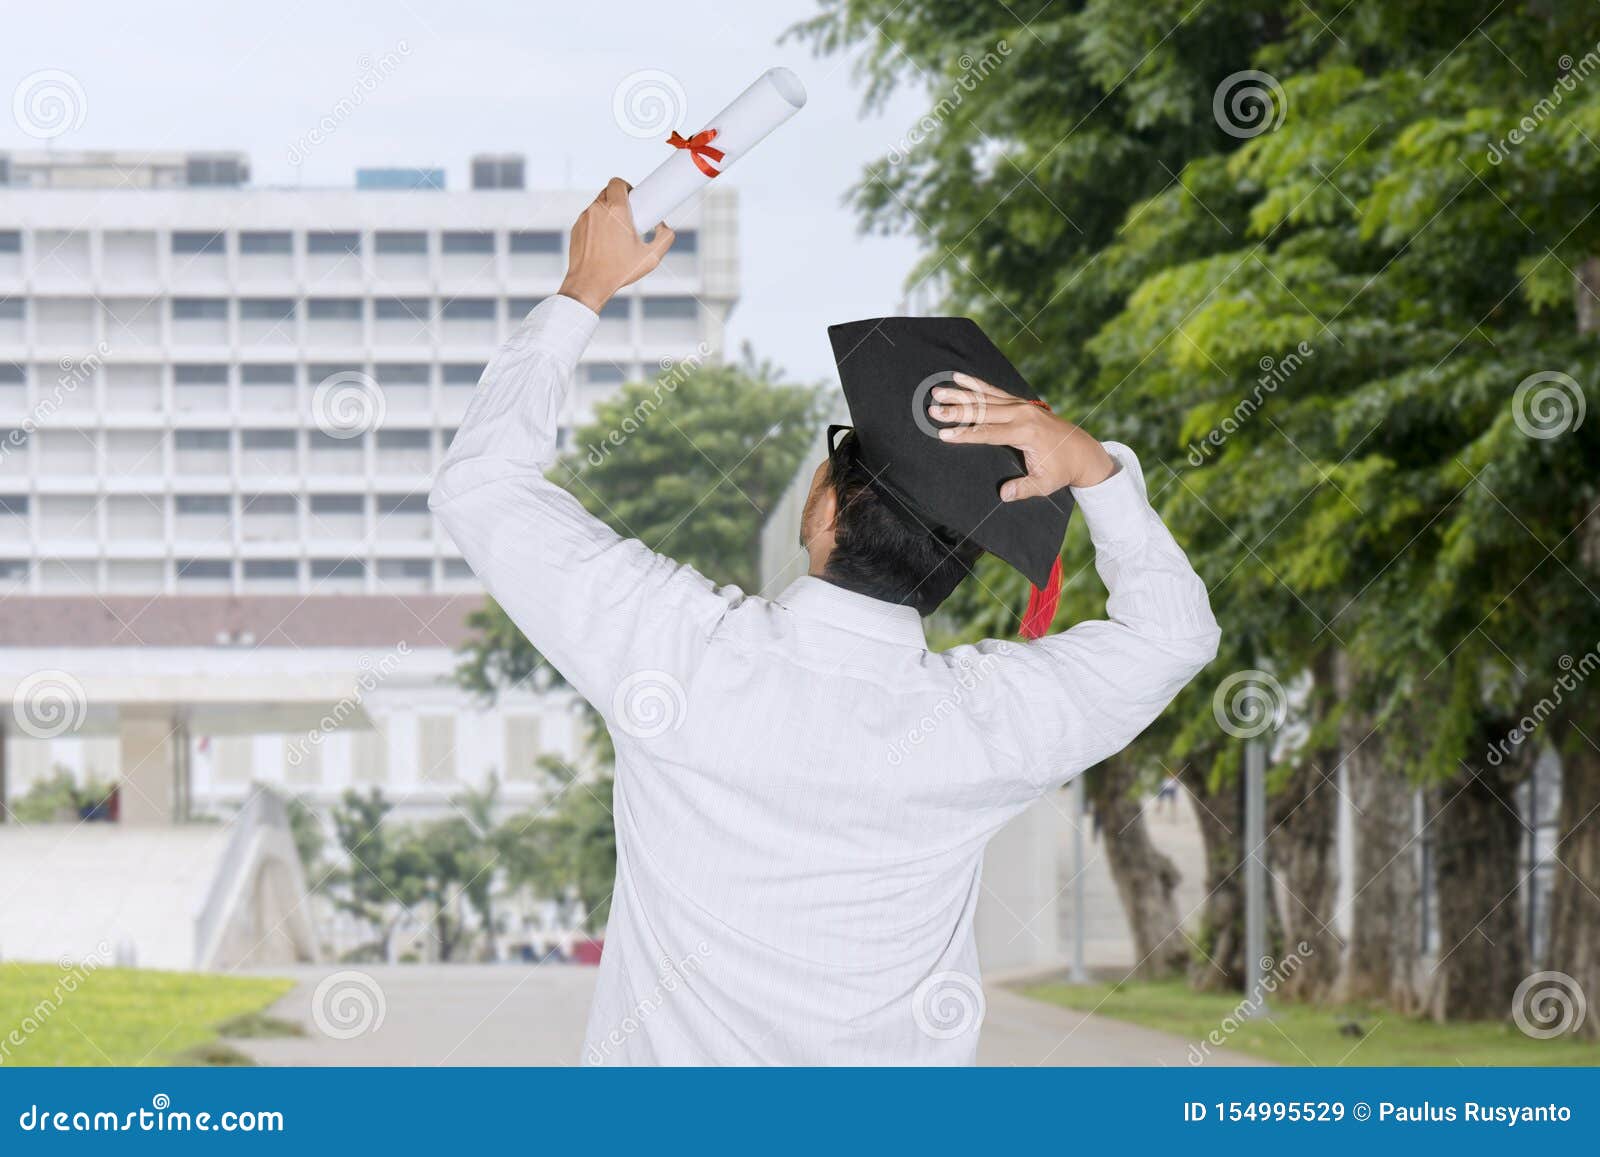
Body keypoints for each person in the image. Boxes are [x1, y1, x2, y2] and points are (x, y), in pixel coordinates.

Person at [429, 178, 1221, 1065]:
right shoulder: (988, 723)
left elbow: (482, 486)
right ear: (957, 567)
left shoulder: (677, 650)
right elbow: (1172, 635)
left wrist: (584, 290)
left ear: (825, 510)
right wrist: (1094, 470)